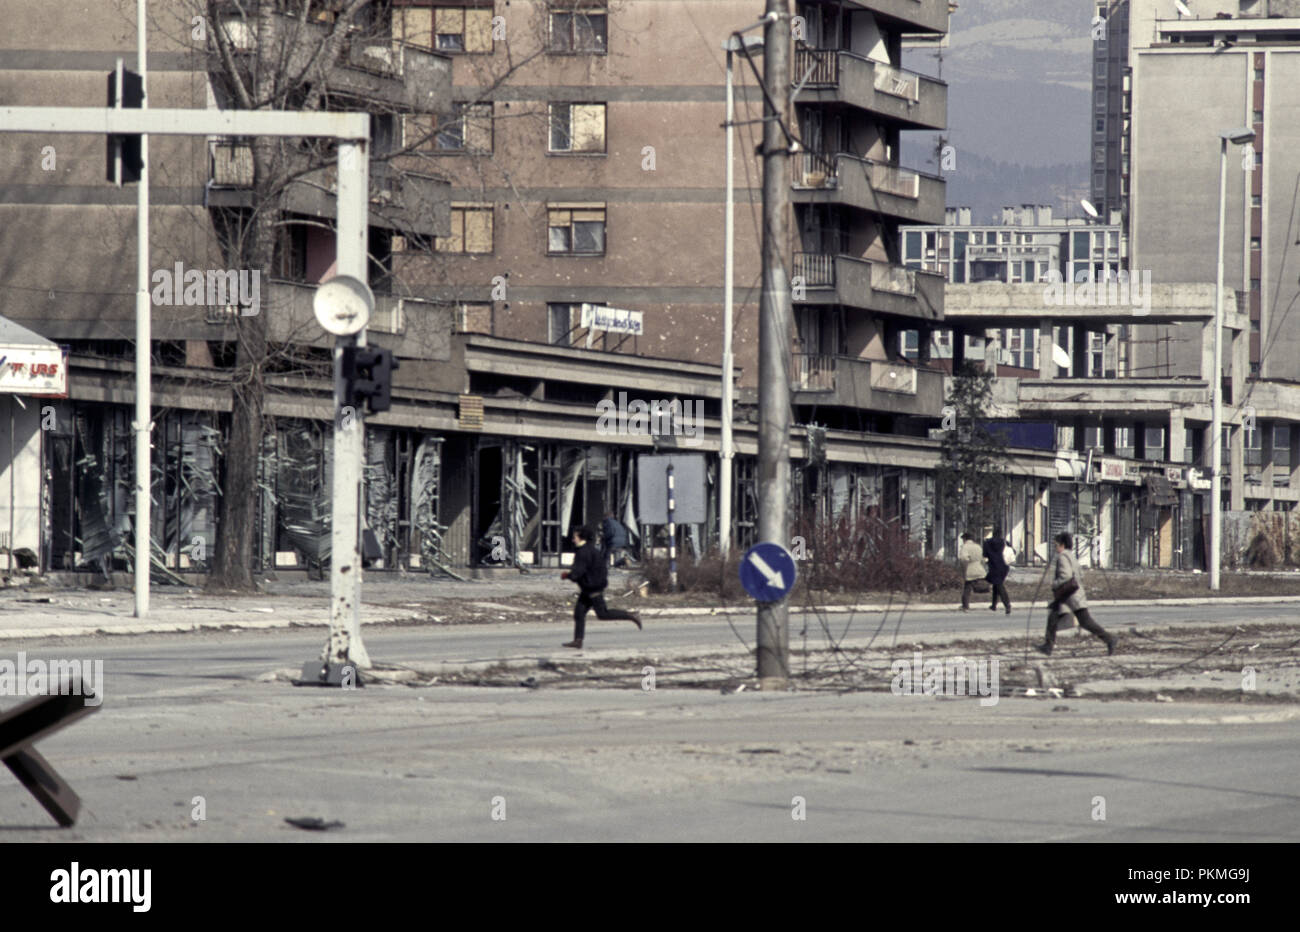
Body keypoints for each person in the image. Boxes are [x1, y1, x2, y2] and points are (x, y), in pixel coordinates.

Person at [1037, 532, 1117, 656]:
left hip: (1070, 595)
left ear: (1062, 545)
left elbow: (1066, 575)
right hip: (1073, 594)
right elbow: (1080, 574)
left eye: (1056, 545)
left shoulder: (1062, 556)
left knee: (1085, 621)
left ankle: (1109, 639)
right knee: (1053, 616)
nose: (1055, 547)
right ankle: (1048, 646)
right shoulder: (1071, 556)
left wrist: (1055, 584)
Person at [560, 525, 641, 649]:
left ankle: (631, 615)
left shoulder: (583, 552)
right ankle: (578, 640)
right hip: (589, 587)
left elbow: (578, 572)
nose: (572, 540)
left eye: (574, 537)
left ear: (581, 537)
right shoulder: (591, 550)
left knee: (603, 613)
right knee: (579, 613)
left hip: (593, 587)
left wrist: (568, 575)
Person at [983, 525, 1012, 614]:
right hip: (1004, 566)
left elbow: (985, 554)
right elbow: (1012, 552)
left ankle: (1007, 604)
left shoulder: (987, 543)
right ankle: (994, 604)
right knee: (997, 584)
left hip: (994, 566)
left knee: (999, 585)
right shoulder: (1005, 542)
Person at [958, 532, 986, 612]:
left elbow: (963, 558)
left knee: (967, 588)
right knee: (977, 584)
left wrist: (964, 564)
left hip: (970, 569)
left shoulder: (965, 547)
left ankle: (965, 606)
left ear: (965, 539)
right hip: (979, 568)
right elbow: (982, 558)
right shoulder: (978, 546)